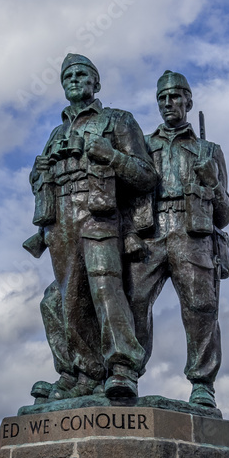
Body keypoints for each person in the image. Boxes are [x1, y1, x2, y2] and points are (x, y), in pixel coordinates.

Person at [24, 53, 156, 400]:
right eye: (67, 75)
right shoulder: (56, 133)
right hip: (61, 220)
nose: (73, 79)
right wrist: (38, 173)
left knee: (104, 287)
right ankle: (82, 374)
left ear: (96, 83)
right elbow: (41, 180)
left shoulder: (117, 120)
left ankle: (122, 369)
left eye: (82, 74)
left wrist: (110, 155)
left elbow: (146, 176)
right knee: (66, 299)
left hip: (99, 213)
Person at [126, 70, 229, 410]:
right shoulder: (142, 144)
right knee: (133, 302)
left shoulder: (209, 149)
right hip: (150, 231)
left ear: (188, 101)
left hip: (192, 232)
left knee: (201, 307)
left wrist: (212, 182)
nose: (168, 103)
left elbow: (225, 214)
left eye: (174, 96)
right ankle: (127, 373)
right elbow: (126, 197)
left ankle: (202, 384)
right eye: (162, 98)